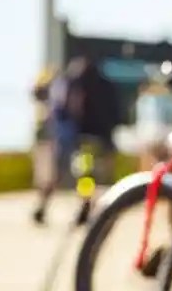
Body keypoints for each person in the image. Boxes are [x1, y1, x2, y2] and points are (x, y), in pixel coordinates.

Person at [33, 57, 122, 225]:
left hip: (78, 136)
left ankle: (47, 205)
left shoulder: (71, 84)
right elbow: (116, 112)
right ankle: (85, 204)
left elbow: (66, 108)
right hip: (96, 137)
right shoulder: (106, 86)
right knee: (86, 175)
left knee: (63, 173)